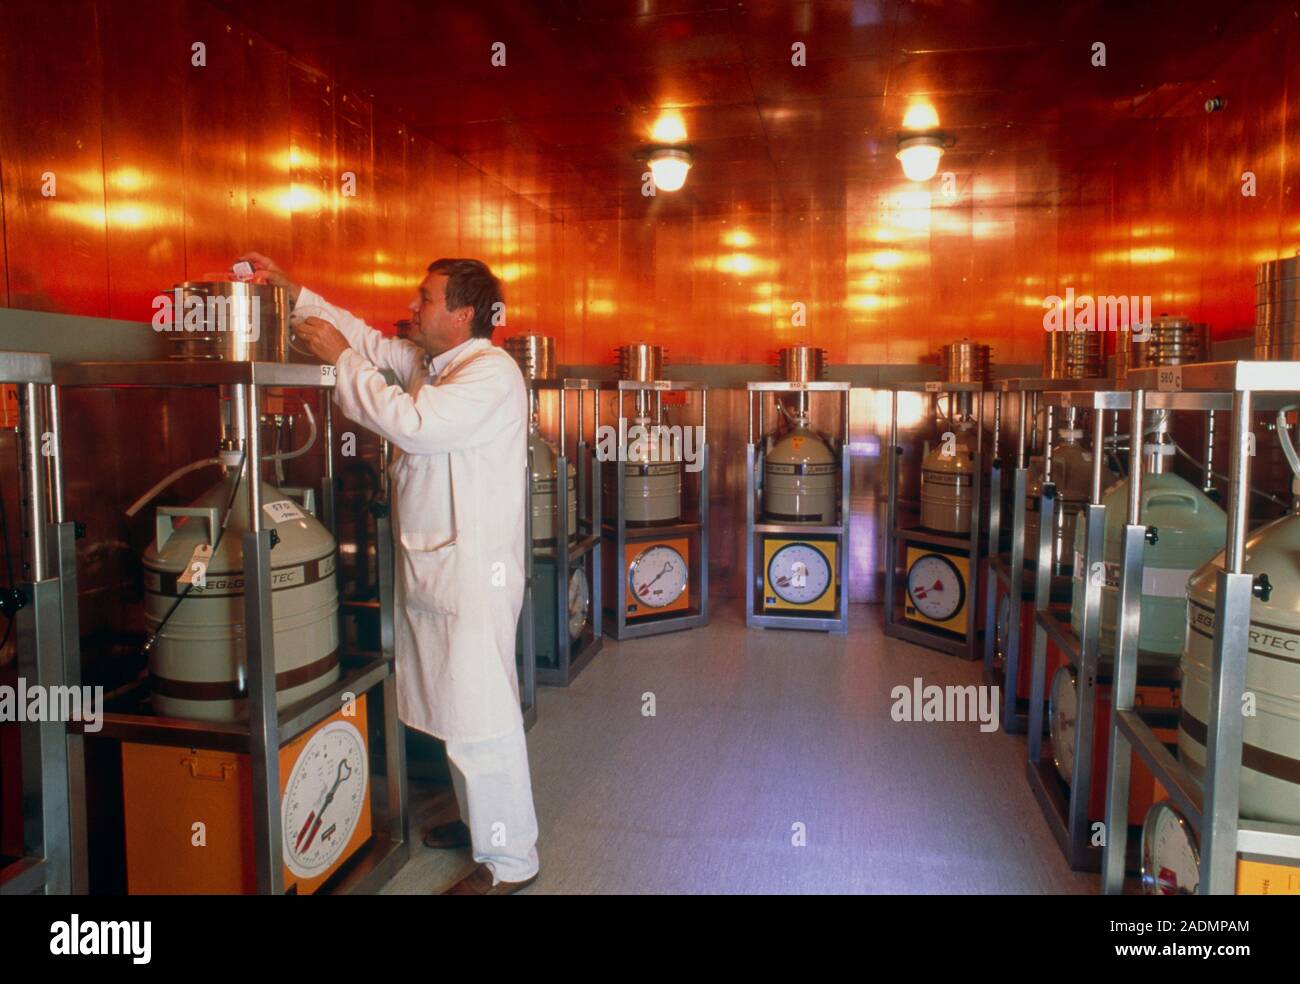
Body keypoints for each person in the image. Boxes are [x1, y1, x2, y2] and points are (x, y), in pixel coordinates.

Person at [239, 252, 539, 895]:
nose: (413, 307)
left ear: (461, 315)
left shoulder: (490, 374)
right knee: (460, 710)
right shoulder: (437, 364)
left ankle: (512, 860)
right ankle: (482, 821)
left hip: (472, 575)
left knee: (482, 717)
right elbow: (371, 344)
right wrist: (297, 296)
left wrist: (343, 358)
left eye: (426, 298)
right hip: (442, 570)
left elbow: (412, 424)